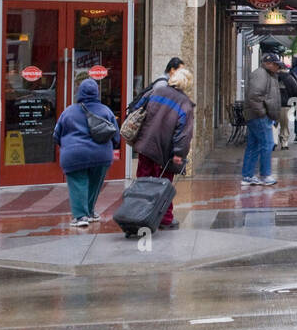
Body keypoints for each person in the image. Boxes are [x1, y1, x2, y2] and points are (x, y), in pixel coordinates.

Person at [131, 66, 195, 230]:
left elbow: (137, 108)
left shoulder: (156, 92)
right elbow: (183, 134)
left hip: (146, 146)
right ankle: (165, 219)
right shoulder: (185, 103)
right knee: (164, 184)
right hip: (165, 152)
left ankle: (139, 214)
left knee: (143, 181)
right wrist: (179, 154)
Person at [52, 78, 120, 228]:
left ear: (79, 92)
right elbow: (116, 136)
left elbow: (56, 135)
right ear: (97, 93)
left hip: (74, 155)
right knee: (95, 184)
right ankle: (89, 211)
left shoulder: (68, 112)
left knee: (78, 183)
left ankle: (80, 216)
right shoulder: (106, 111)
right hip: (101, 155)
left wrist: (66, 146)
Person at [242, 52, 281, 186]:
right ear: (268, 63)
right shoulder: (261, 74)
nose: (278, 68)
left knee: (254, 145)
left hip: (256, 115)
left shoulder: (266, 74)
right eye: (276, 65)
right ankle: (265, 175)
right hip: (259, 116)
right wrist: (263, 113)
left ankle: (247, 176)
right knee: (267, 144)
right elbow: (254, 96)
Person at [275, 61, 297, 150]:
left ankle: (273, 142)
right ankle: (284, 143)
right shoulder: (290, 78)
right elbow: (295, 91)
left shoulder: (272, 77)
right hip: (286, 104)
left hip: (273, 105)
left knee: (273, 124)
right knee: (284, 125)